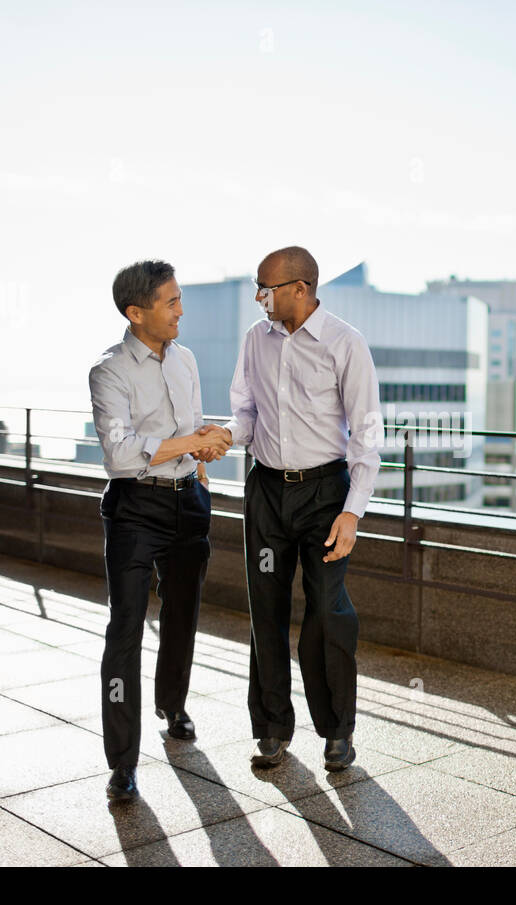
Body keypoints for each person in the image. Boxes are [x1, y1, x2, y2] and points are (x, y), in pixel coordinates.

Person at [214, 246, 381, 772]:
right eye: (258, 288)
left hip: (325, 496)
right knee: (265, 609)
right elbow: (245, 411)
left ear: (301, 289)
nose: (260, 297)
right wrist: (224, 433)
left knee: (328, 612)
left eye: (268, 288)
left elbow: (366, 435)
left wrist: (352, 512)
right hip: (266, 491)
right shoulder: (255, 340)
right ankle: (270, 729)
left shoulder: (345, 343)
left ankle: (336, 731)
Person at [89, 259, 233, 802]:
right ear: (136, 312)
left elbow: (188, 430)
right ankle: (122, 761)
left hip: (188, 502)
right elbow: (123, 456)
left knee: (183, 616)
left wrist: (203, 455)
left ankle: (172, 704)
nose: (180, 310)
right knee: (124, 630)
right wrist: (191, 444)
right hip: (134, 510)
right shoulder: (109, 371)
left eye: (179, 299)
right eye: (170, 302)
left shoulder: (187, 360)